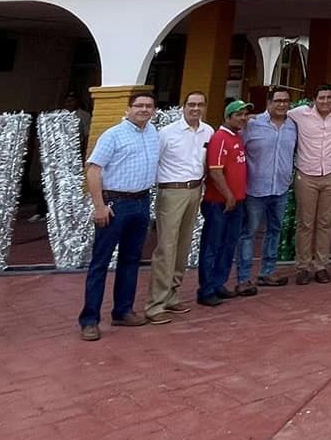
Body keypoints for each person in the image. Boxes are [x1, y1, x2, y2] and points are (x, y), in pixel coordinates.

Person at [76, 94, 159, 337]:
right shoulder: (113, 135)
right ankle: (89, 320)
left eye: (149, 106)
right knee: (100, 262)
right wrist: (99, 206)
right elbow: (93, 171)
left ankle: (123, 311)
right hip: (115, 204)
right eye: (139, 105)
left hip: (141, 202)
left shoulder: (153, 133)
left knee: (131, 259)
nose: (144, 109)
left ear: (154, 110)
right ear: (128, 109)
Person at [145, 92, 211, 321]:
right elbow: (154, 161)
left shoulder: (208, 131)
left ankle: (172, 295)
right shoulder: (167, 133)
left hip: (195, 190)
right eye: (191, 104)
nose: (195, 108)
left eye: (200, 104)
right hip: (172, 191)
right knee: (167, 247)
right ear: (183, 107)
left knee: (183, 246)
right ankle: (155, 304)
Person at [288, 84, 331, 285]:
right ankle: (303, 267)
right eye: (321, 97)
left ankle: (321, 266)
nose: (325, 101)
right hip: (306, 175)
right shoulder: (300, 113)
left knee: (325, 223)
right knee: (305, 223)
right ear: (314, 99)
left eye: (328, 97)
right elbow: (278, 112)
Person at [237, 88, 296, 293]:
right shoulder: (251, 125)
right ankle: (244, 278)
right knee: (249, 233)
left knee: (274, 231)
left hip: (280, 188)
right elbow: (237, 150)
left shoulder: (293, 126)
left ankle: (267, 272)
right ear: (269, 102)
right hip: (255, 189)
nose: (282, 104)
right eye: (278, 101)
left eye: (286, 101)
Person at [197, 101, 250, 307]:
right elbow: (215, 171)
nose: (243, 118)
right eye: (239, 115)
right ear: (228, 117)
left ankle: (219, 283)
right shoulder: (220, 138)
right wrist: (228, 195)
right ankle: (206, 289)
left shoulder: (236, 136)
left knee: (228, 244)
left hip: (236, 202)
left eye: (245, 114)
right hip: (219, 203)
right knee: (213, 245)